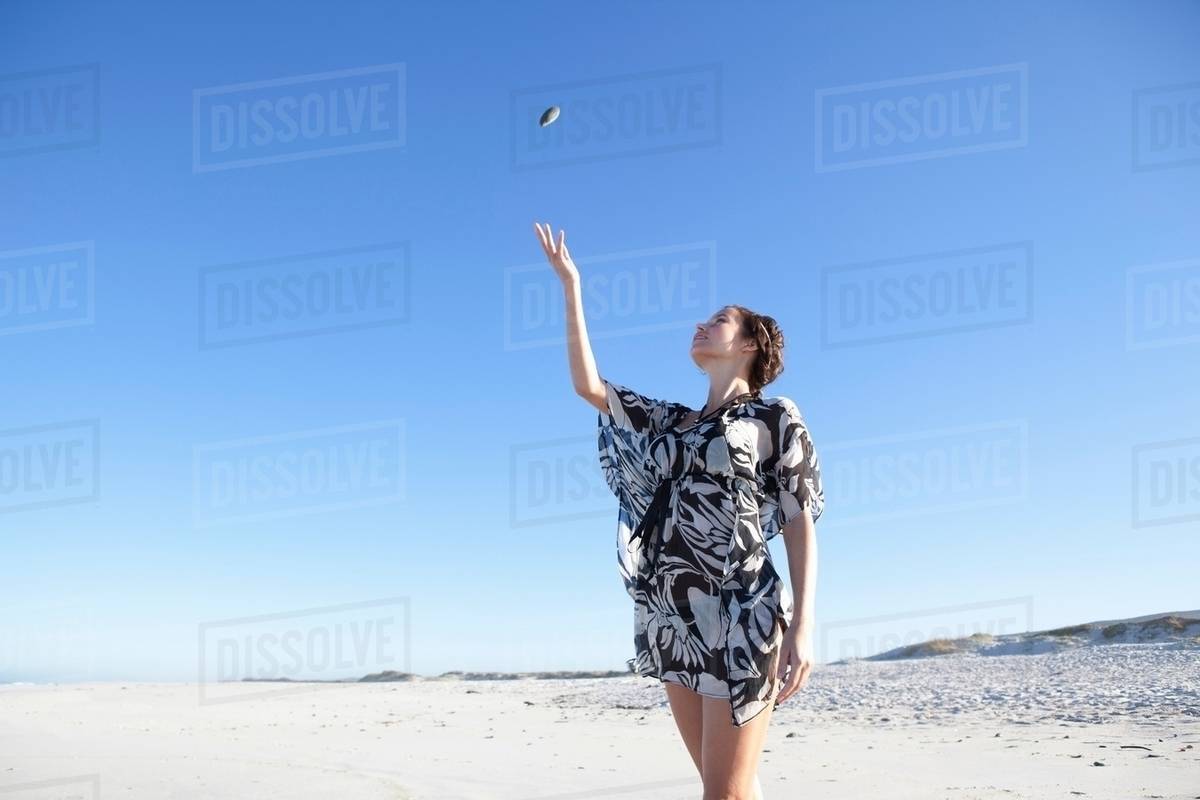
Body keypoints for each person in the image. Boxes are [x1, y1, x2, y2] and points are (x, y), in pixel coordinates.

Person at [533, 222, 825, 800]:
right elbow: (590, 387)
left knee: (726, 793)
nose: (700, 324)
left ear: (748, 344)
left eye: (718, 319)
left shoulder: (773, 418)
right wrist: (572, 287)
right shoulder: (671, 422)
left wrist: (805, 626)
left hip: (744, 608)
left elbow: (798, 518)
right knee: (725, 787)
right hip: (672, 614)